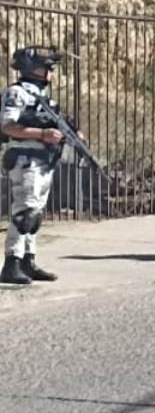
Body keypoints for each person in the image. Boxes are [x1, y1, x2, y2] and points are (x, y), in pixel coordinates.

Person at [0, 46, 77, 284]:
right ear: (31, 68)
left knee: (35, 214)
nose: (50, 71)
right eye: (46, 67)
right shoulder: (16, 93)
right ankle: (11, 263)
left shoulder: (43, 96)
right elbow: (7, 126)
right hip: (25, 158)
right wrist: (43, 134)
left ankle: (27, 260)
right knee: (24, 213)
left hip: (44, 160)